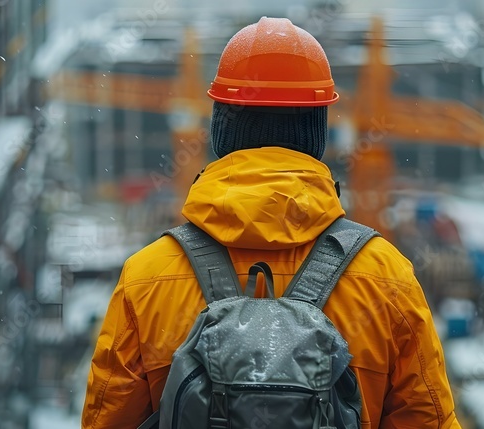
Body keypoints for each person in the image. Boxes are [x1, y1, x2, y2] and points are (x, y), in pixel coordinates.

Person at [82, 17, 460, 429]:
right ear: (317, 133)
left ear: (220, 130)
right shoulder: (387, 279)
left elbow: (106, 420)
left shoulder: (146, 279)